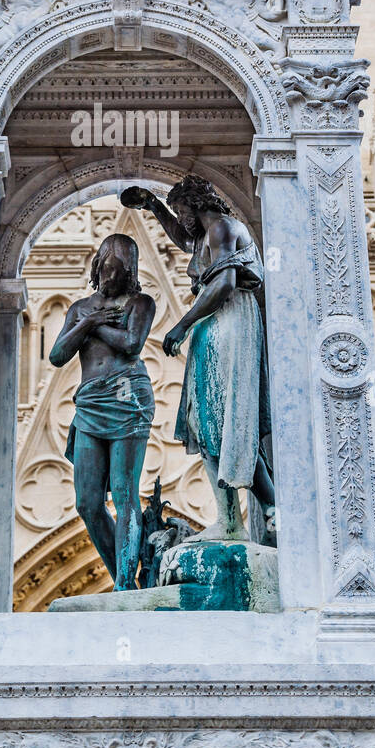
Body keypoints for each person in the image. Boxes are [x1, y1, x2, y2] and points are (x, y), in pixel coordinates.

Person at [121, 177, 277, 544]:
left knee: (228, 419)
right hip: (212, 323)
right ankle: (230, 520)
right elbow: (185, 240)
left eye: (181, 210)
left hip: (229, 319)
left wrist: (182, 325)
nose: (181, 218)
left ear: (195, 205)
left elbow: (223, 284)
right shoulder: (207, 235)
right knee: (204, 420)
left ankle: (270, 505)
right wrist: (153, 205)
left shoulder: (224, 227)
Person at [49, 233, 156, 589]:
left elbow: (131, 344)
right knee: (88, 502)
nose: (112, 277)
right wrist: (87, 323)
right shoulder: (81, 308)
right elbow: (57, 355)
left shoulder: (140, 303)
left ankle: (126, 585)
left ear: (130, 272)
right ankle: (123, 577)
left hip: (128, 400)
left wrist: (99, 325)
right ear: (97, 267)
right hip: (91, 403)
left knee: (126, 494)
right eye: (107, 269)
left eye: (121, 271)